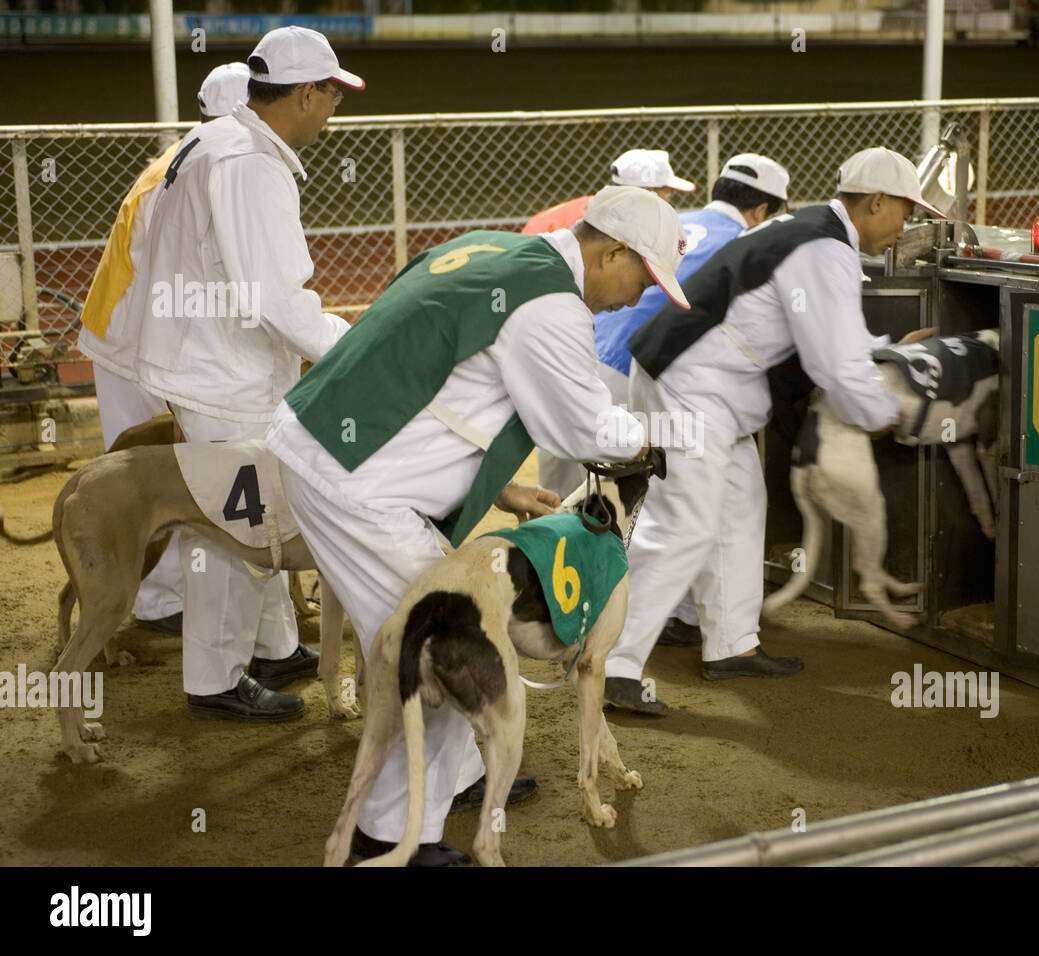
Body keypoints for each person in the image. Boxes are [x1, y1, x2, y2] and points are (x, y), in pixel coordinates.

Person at [266, 185, 687, 865]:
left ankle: (406, 822)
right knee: (445, 659)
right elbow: (583, 427)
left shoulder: (493, 248)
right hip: (358, 482)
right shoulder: (552, 306)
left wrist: (506, 486)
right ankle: (396, 843)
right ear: (611, 250)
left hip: (329, 447)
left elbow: (442, 375)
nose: (639, 296)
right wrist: (641, 445)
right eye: (642, 277)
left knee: (425, 658)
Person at [603, 147, 944, 715]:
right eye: (904, 212)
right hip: (691, 384)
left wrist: (885, 355)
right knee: (685, 522)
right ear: (876, 201)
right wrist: (889, 415)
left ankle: (732, 644)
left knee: (740, 506)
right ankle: (613, 662)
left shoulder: (812, 232)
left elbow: (833, 337)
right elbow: (832, 364)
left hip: (705, 384)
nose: (904, 228)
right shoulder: (824, 247)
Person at [121, 26, 364, 722]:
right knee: (239, 526)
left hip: (206, 357)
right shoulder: (251, 162)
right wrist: (353, 346)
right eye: (332, 95)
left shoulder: (218, 139)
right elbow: (275, 297)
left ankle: (264, 647)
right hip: (221, 372)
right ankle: (216, 682)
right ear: (307, 93)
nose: (333, 111)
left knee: (238, 518)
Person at [584, 153, 791, 659]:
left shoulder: (680, 223)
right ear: (762, 210)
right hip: (651, 366)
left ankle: (612, 610)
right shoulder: (750, 242)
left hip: (591, 353)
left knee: (608, 496)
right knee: (672, 508)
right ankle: (621, 640)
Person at [76, 61, 252, 636]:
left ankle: (164, 596)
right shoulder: (209, 168)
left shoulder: (187, 159)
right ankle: (155, 601)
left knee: (168, 471)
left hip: (135, 331)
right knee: (143, 477)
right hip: (132, 340)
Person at [531, 148, 694, 497]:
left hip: (575, 357)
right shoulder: (649, 235)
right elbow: (587, 423)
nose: (668, 202)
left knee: (555, 489)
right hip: (600, 358)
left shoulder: (558, 223)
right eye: (665, 194)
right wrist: (644, 445)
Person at [520, 148, 695, 236]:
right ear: (648, 193)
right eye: (667, 193)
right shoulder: (604, 225)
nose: (669, 201)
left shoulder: (597, 208)